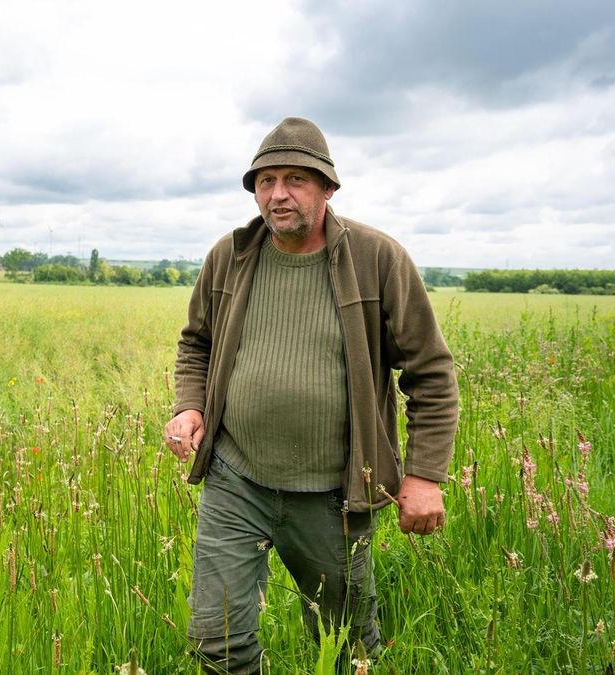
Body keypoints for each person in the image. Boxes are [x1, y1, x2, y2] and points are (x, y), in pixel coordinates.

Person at [164, 117, 458, 673]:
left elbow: (431, 372)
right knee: (217, 640)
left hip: (333, 496)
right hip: (236, 479)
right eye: (266, 180)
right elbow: (196, 343)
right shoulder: (230, 255)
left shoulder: (377, 259)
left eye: (296, 178)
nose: (278, 194)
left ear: (327, 188)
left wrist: (423, 476)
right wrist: (190, 405)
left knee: (348, 646)